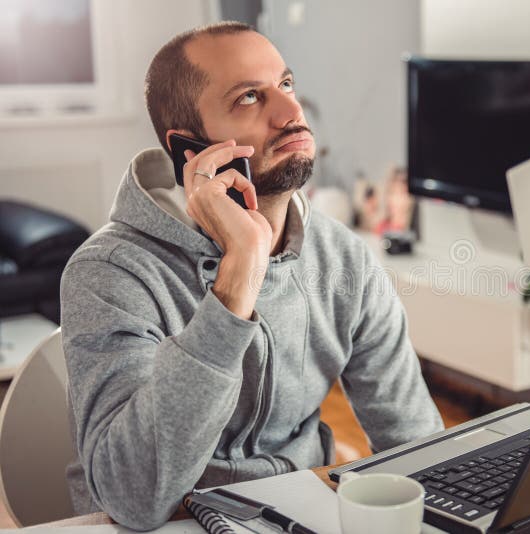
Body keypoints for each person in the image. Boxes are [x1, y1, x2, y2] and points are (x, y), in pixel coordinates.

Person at [60, 21, 443, 530]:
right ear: (189, 151)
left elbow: (417, 445)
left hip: (302, 512)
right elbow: (133, 497)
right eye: (248, 98)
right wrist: (239, 274)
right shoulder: (109, 272)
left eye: (285, 84)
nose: (292, 112)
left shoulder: (345, 259)